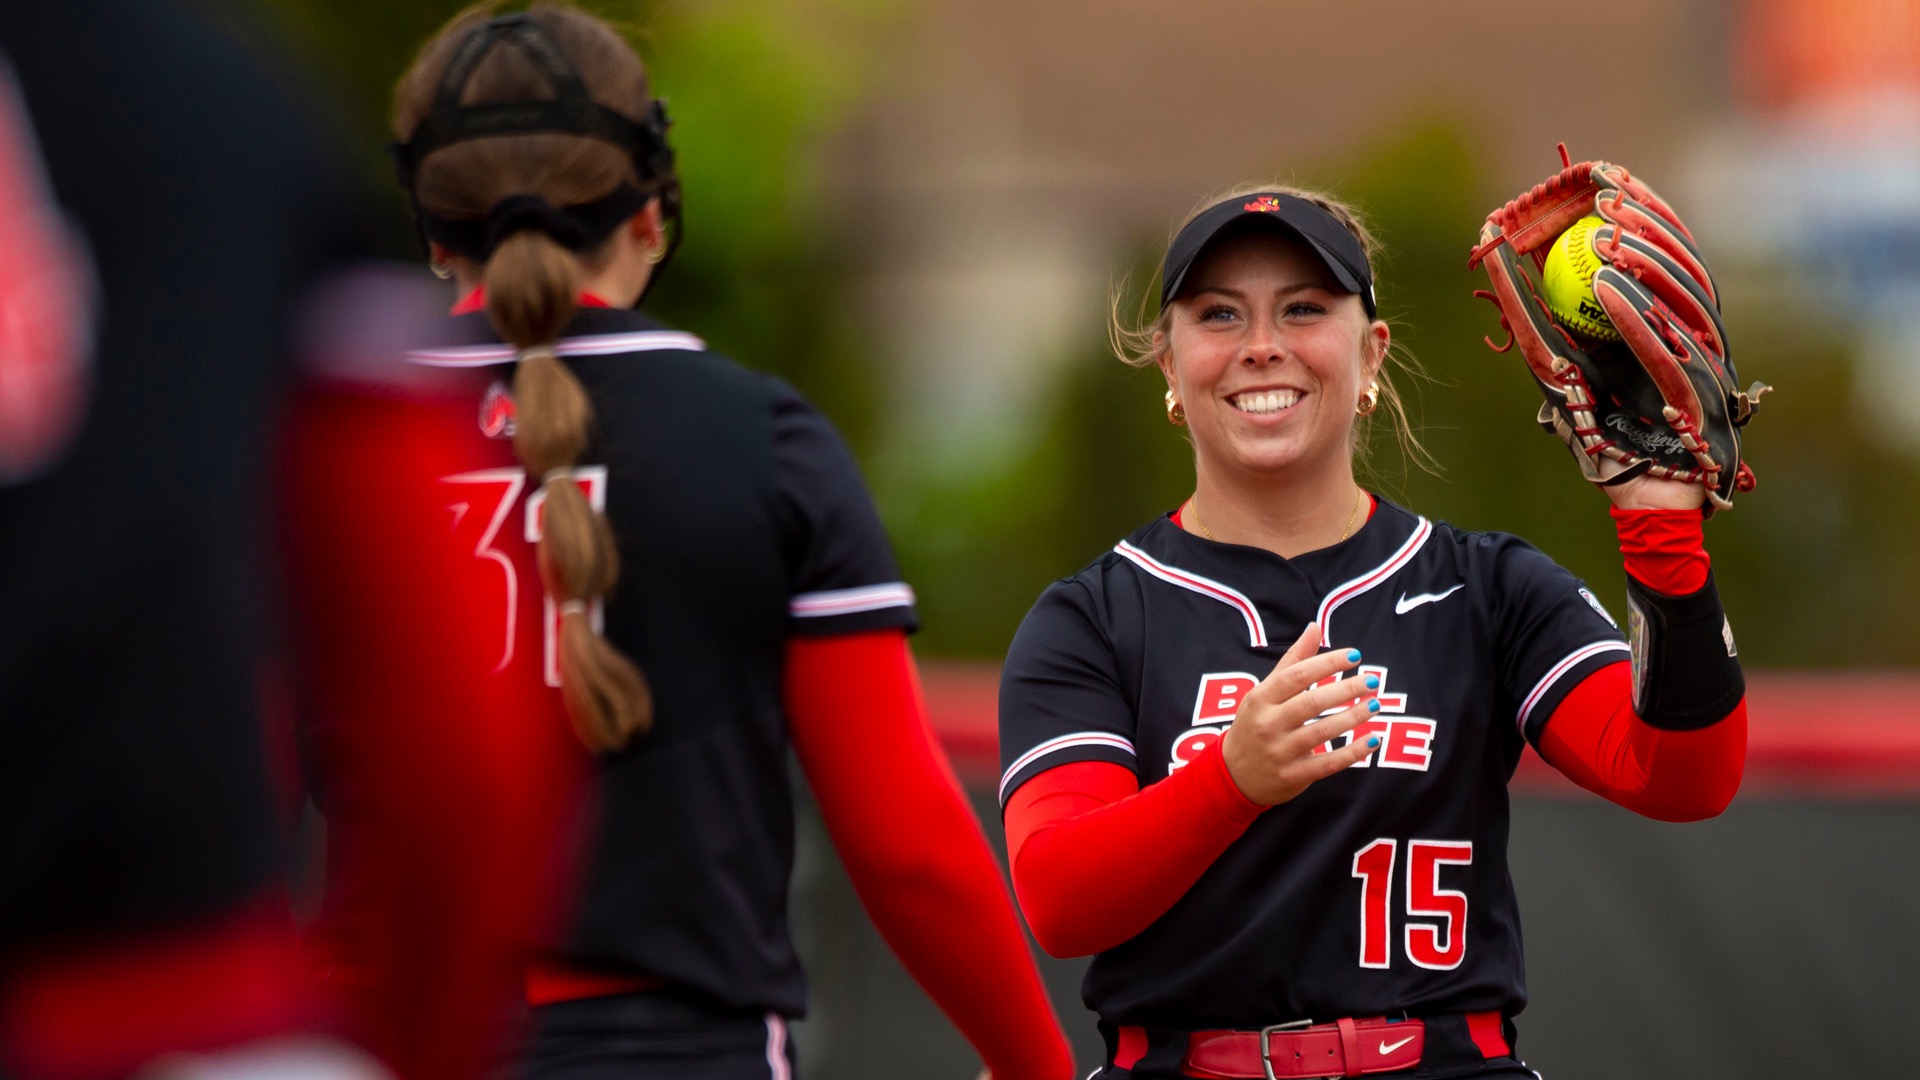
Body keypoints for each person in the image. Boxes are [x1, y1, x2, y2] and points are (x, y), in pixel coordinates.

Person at [364, 6, 1075, 1079]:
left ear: (432, 227)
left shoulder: (336, 433)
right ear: (650, 211)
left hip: (388, 1040)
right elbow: (905, 844)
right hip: (678, 1048)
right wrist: (1038, 1064)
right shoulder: (757, 437)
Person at [996, 185, 1747, 1080]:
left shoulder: (1486, 587)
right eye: (1219, 314)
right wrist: (1230, 782)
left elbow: (1682, 778)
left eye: (1305, 308)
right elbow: (1058, 901)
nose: (1262, 345)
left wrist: (1660, 531)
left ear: (1373, 355)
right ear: (1169, 365)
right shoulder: (1094, 617)